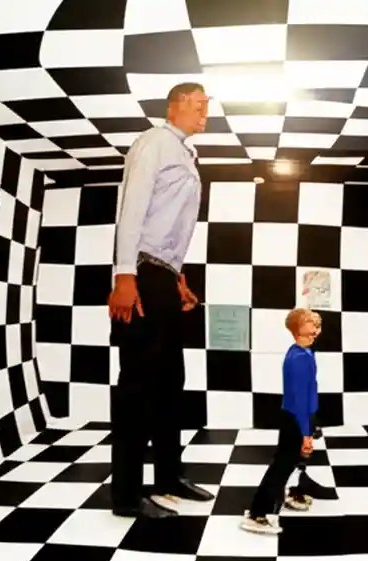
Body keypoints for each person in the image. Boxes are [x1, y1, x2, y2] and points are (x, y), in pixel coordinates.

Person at [108, 82, 214, 519]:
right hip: (141, 273)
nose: (205, 111)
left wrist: (178, 277)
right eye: (197, 104)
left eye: (207, 104)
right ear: (173, 107)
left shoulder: (187, 154)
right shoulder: (154, 142)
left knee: (172, 382)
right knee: (137, 386)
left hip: (162, 275)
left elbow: (171, 224)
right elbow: (132, 207)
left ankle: (168, 477)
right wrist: (124, 274)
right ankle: (127, 496)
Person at [241, 308, 322, 535]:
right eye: (309, 324)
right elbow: (298, 399)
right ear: (296, 328)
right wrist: (306, 433)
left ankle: (286, 495)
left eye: (316, 324)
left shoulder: (305, 352)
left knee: (291, 460)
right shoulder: (298, 358)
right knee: (282, 464)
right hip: (295, 417)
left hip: (301, 416)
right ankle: (259, 512)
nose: (315, 327)